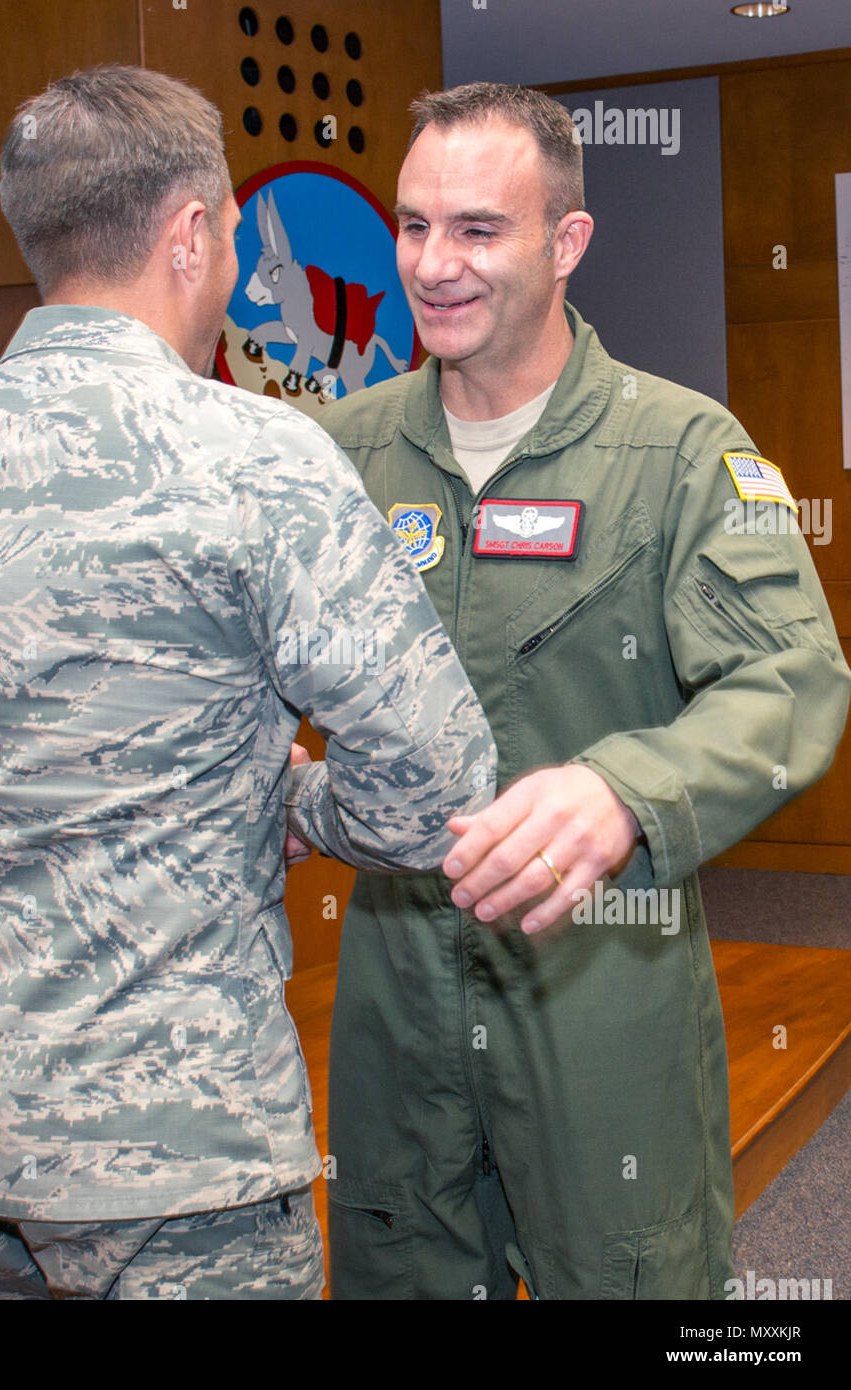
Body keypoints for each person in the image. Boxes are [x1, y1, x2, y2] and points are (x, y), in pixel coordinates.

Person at [0, 66, 496, 1301]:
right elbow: (434, 786)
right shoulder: (255, 459)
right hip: (173, 1152)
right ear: (191, 231)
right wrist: (286, 805)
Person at [316, 82, 851, 1300]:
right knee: (394, 1264)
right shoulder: (339, 454)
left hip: (598, 980)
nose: (431, 264)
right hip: (395, 989)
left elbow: (790, 679)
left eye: (475, 229)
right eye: (411, 226)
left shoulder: (678, 449)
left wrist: (623, 790)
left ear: (566, 243)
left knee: (627, 1275)